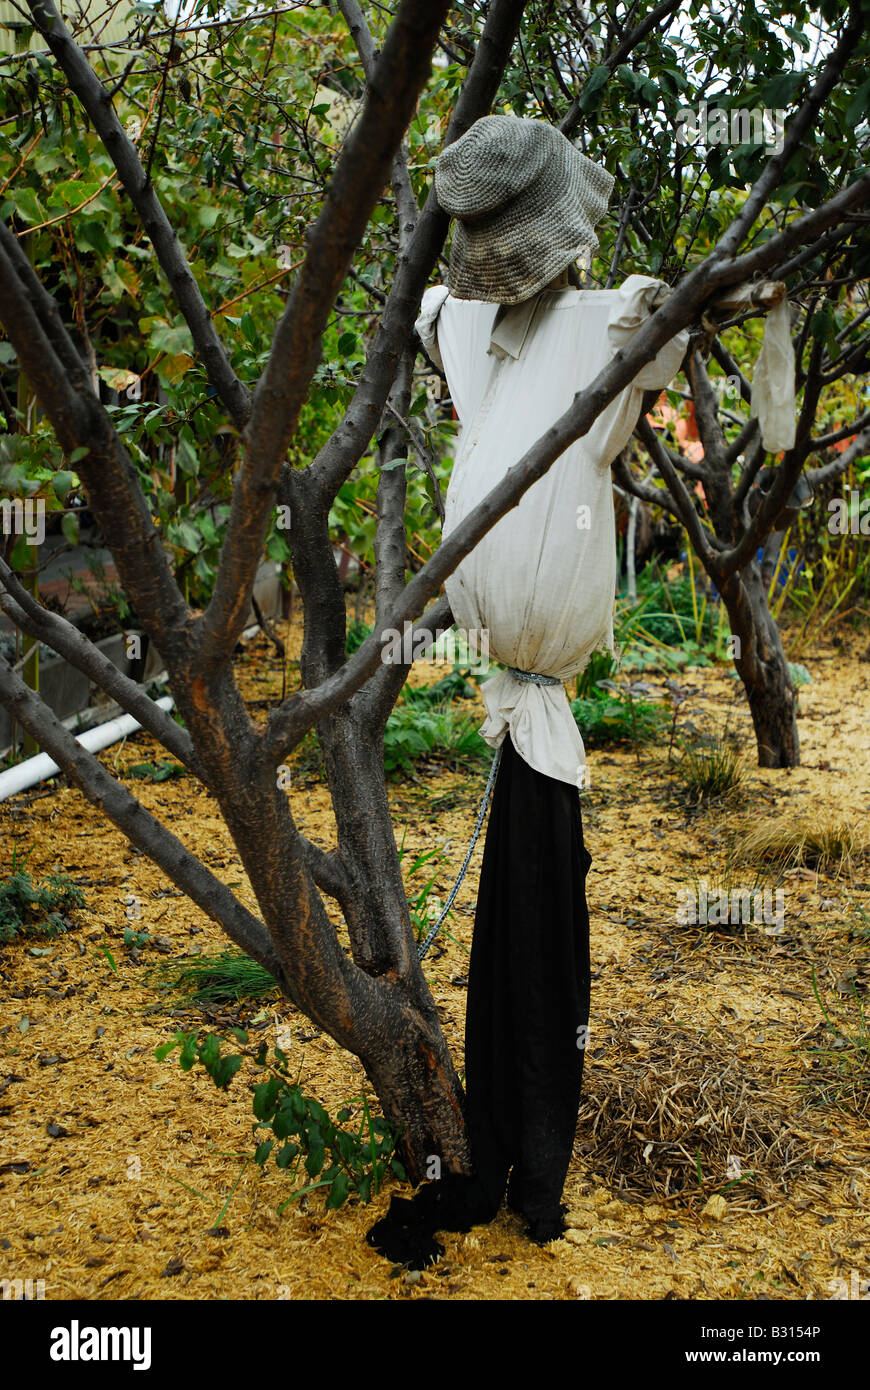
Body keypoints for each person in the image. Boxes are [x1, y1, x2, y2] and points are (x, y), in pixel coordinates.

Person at [367, 114, 690, 1267]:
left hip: (537, 696)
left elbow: (663, 326)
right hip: (508, 693)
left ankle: (530, 1154)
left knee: (538, 936)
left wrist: (677, 300)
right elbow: (430, 309)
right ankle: (503, 1132)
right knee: (516, 934)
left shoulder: (606, 327)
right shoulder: (467, 327)